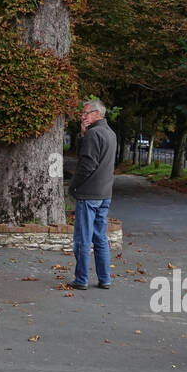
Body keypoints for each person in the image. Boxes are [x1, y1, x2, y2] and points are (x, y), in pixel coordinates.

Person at [67, 99, 118, 289]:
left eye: (86, 113)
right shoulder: (110, 133)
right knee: (100, 238)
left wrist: (73, 186)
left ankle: (81, 279)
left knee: (83, 239)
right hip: (105, 193)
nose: (83, 115)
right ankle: (105, 279)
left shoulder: (94, 134)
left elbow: (86, 164)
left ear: (98, 113)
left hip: (89, 194)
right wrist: (82, 134)